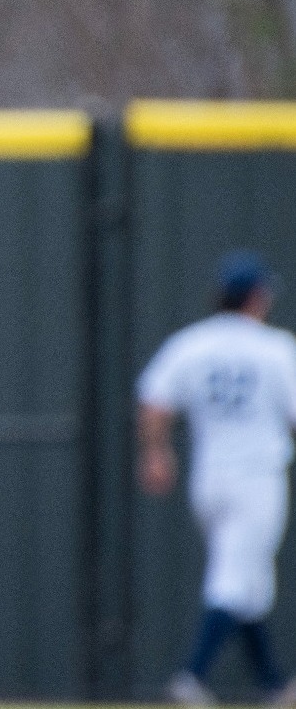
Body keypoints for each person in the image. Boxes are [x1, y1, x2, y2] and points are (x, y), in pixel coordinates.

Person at [139, 250, 296, 706]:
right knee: (233, 580)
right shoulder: (275, 348)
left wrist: (155, 452)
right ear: (258, 297)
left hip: (208, 480)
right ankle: (191, 677)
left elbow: (154, 401)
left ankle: (274, 685)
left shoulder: (192, 343)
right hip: (257, 478)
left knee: (251, 584)